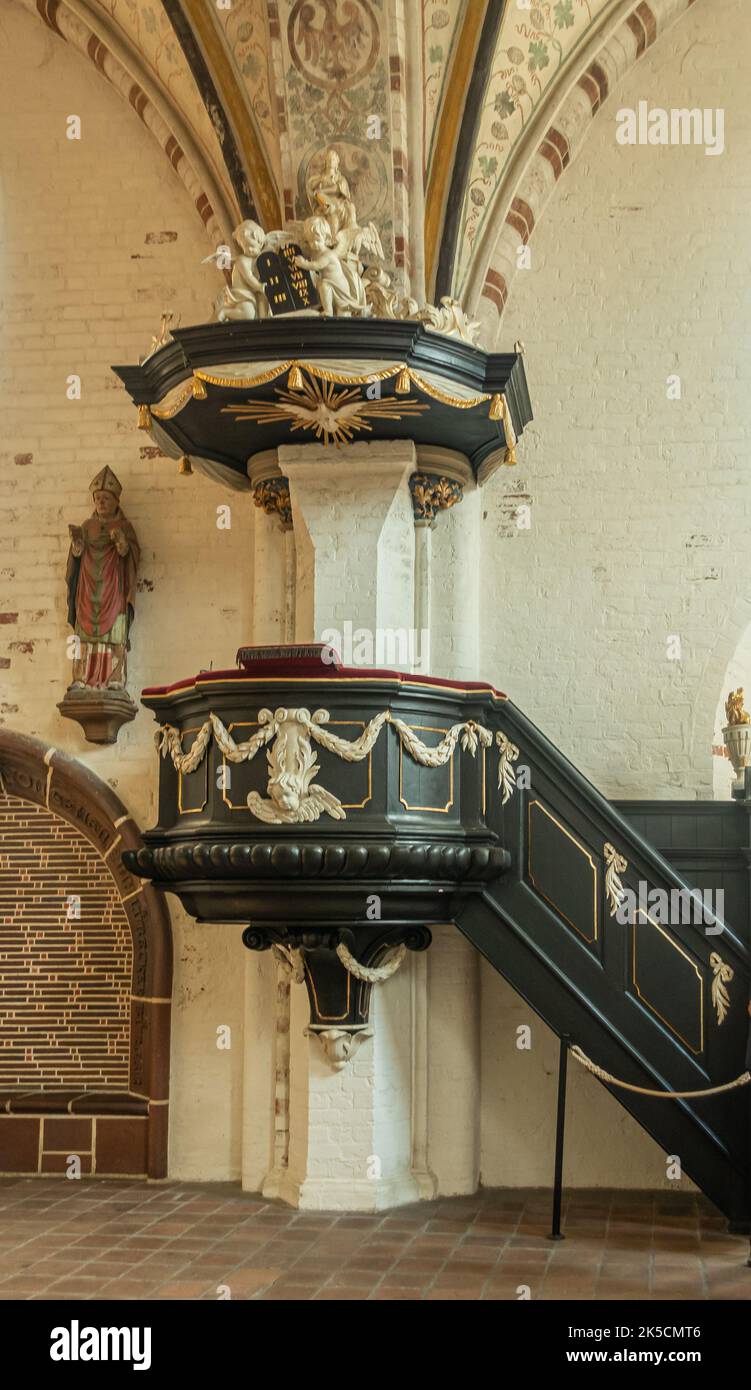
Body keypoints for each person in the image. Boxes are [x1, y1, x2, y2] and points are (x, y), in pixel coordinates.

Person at [66, 467, 139, 690]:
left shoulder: (125, 527)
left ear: (116, 501)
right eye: (97, 498)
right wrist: (77, 548)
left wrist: (123, 545)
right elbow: (75, 561)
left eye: (106, 498)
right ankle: (81, 678)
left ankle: (115, 678)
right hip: (88, 589)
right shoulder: (87, 527)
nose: (101, 502)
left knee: (115, 632)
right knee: (84, 634)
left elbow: (133, 556)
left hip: (113, 588)